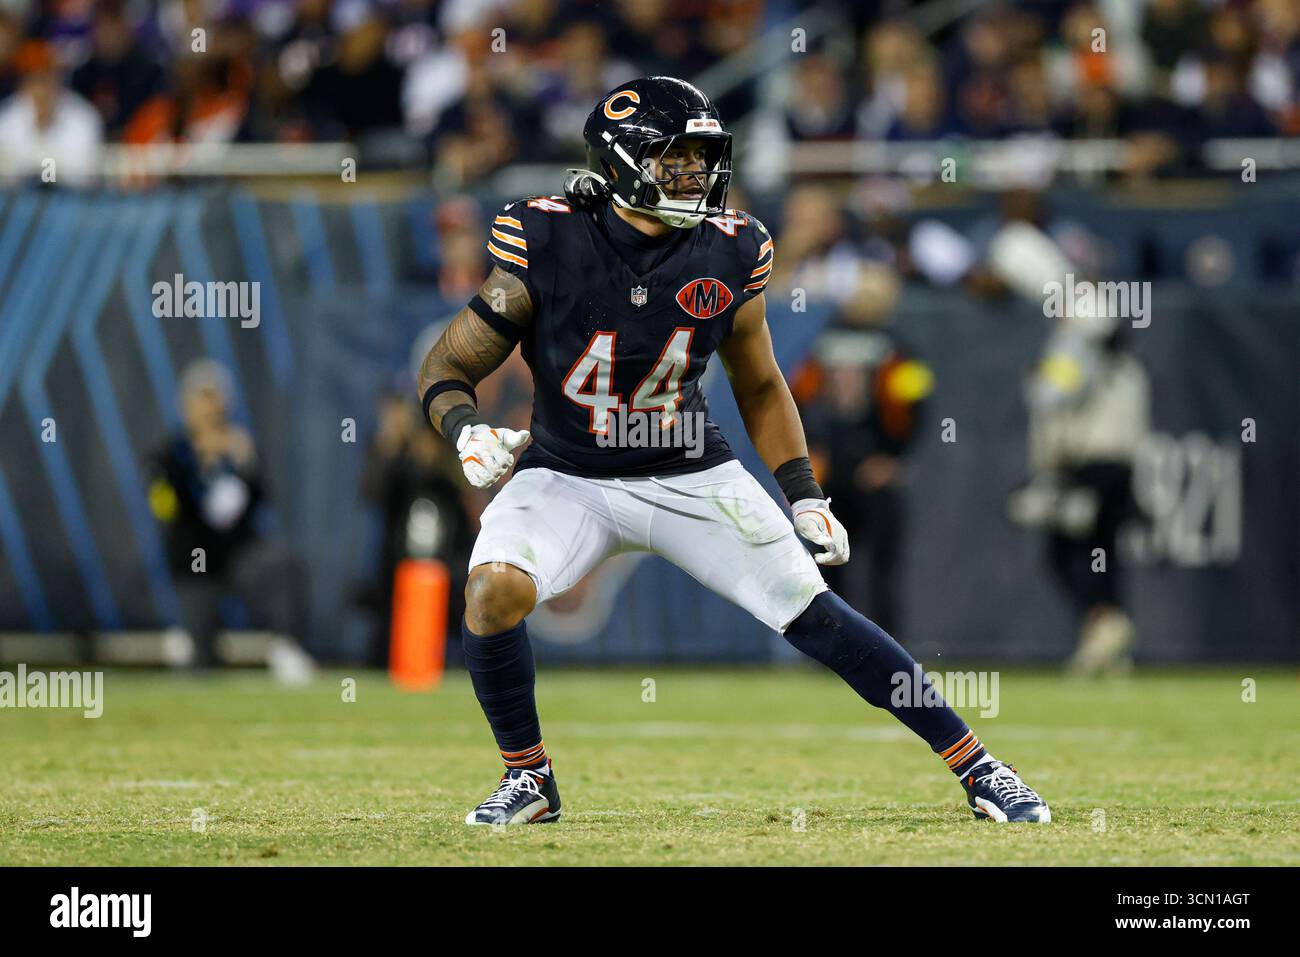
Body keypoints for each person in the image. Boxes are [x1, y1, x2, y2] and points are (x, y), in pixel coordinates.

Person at [416, 76, 1051, 826]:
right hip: (568, 472)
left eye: (703, 157)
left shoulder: (731, 246)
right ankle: (528, 776)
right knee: (492, 592)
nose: (696, 174)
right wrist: (464, 430)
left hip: (690, 469)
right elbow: (446, 367)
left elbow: (760, 383)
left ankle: (980, 766)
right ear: (621, 162)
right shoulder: (546, 237)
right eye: (675, 158)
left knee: (813, 612)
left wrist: (804, 490)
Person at [147, 360, 314, 682]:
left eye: (215, 400)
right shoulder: (169, 456)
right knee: (201, 662)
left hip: (238, 556)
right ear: (187, 407)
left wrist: (245, 463)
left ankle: (287, 646)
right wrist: (197, 465)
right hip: (196, 565)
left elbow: (260, 499)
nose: (210, 411)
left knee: (282, 566)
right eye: (202, 400)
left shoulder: (240, 449)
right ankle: (191, 640)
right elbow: (167, 508)